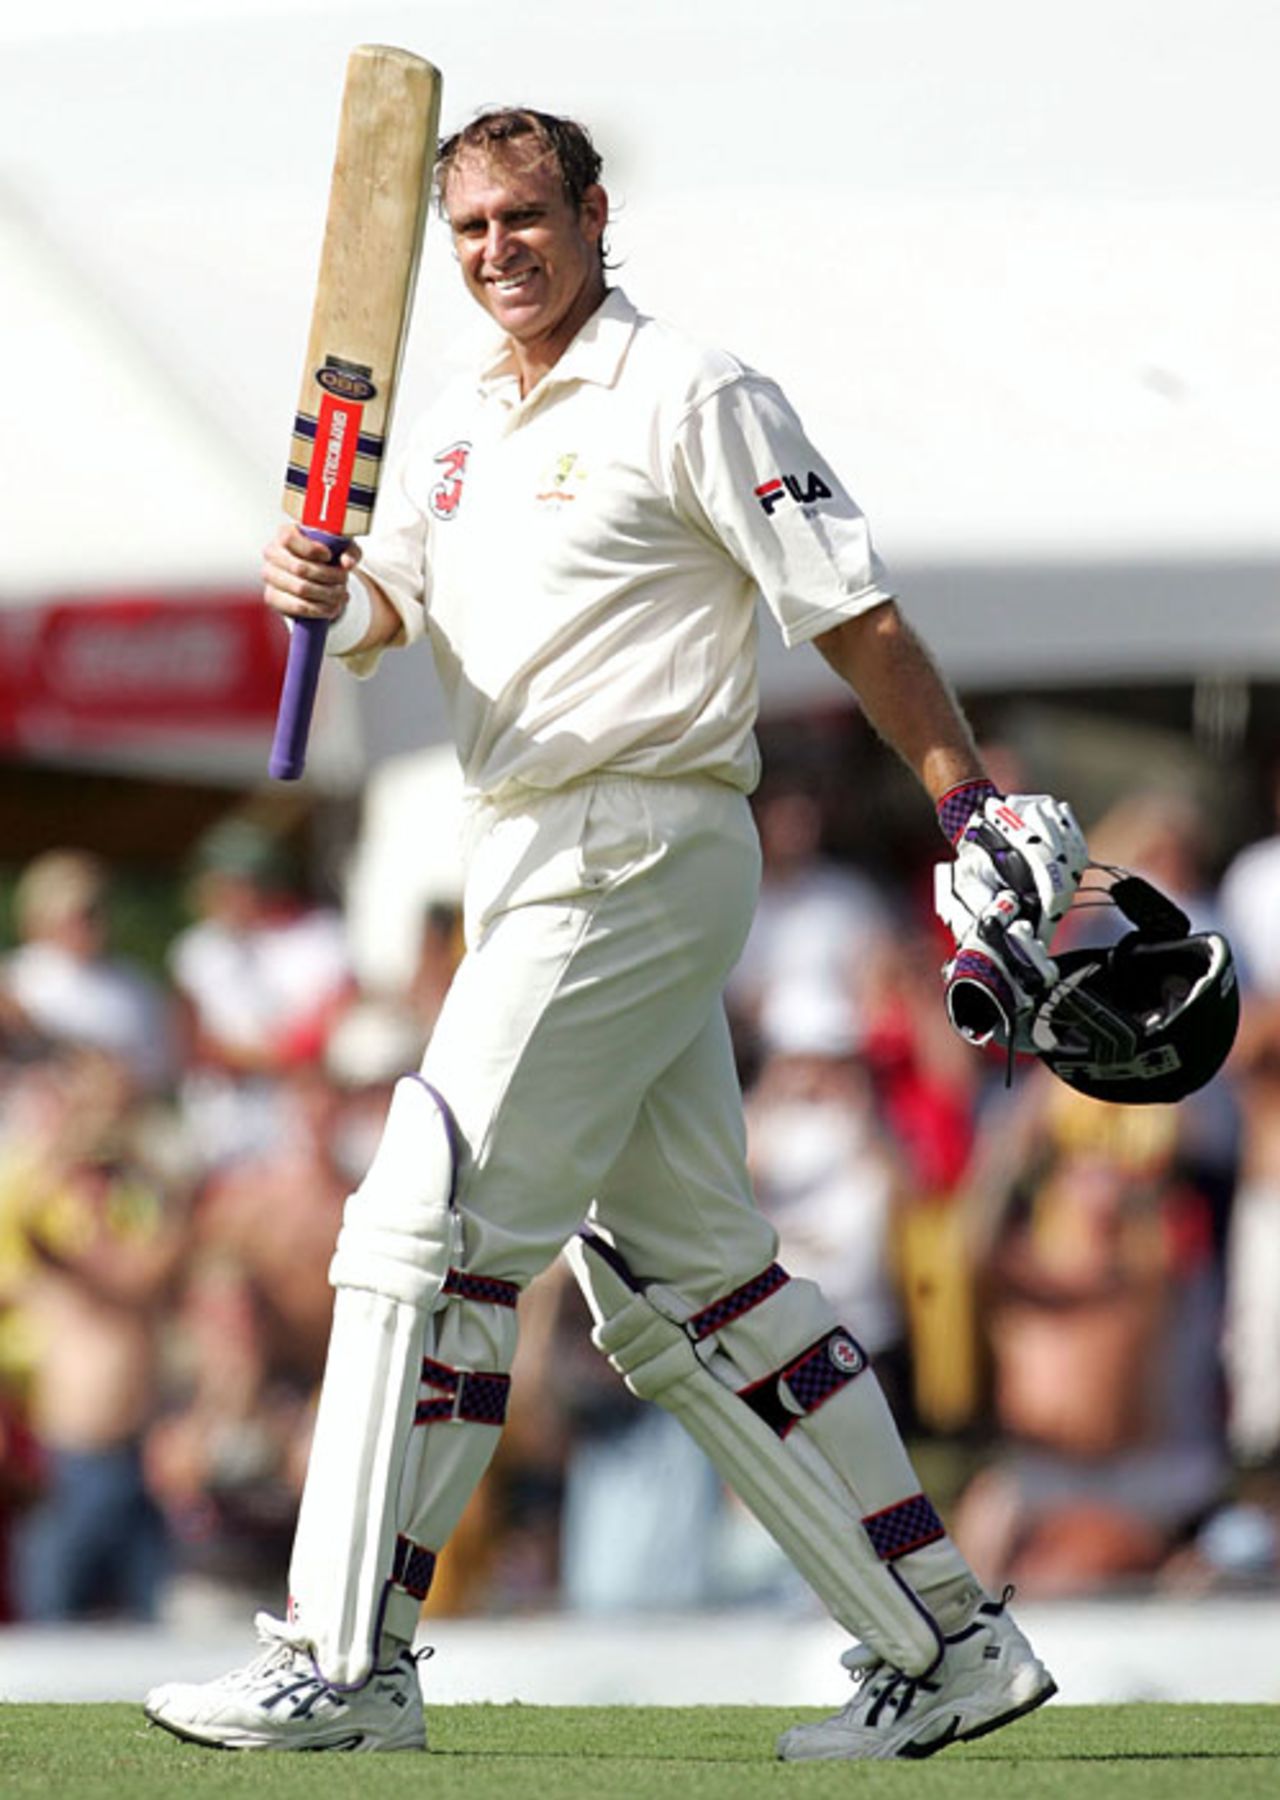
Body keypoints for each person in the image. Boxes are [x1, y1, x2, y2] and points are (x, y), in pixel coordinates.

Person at [144, 106, 1082, 1760]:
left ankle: (341, 1658)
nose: (500, 250)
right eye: (473, 230)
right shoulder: (448, 427)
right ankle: (946, 1641)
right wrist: (326, 590)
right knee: (684, 1291)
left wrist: (960, 799)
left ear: (592, 214)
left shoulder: (690, 390)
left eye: (526, 216)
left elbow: (851, 608)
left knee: (416, 1226)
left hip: (639, 835)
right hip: (518, 851)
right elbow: (393, 613)